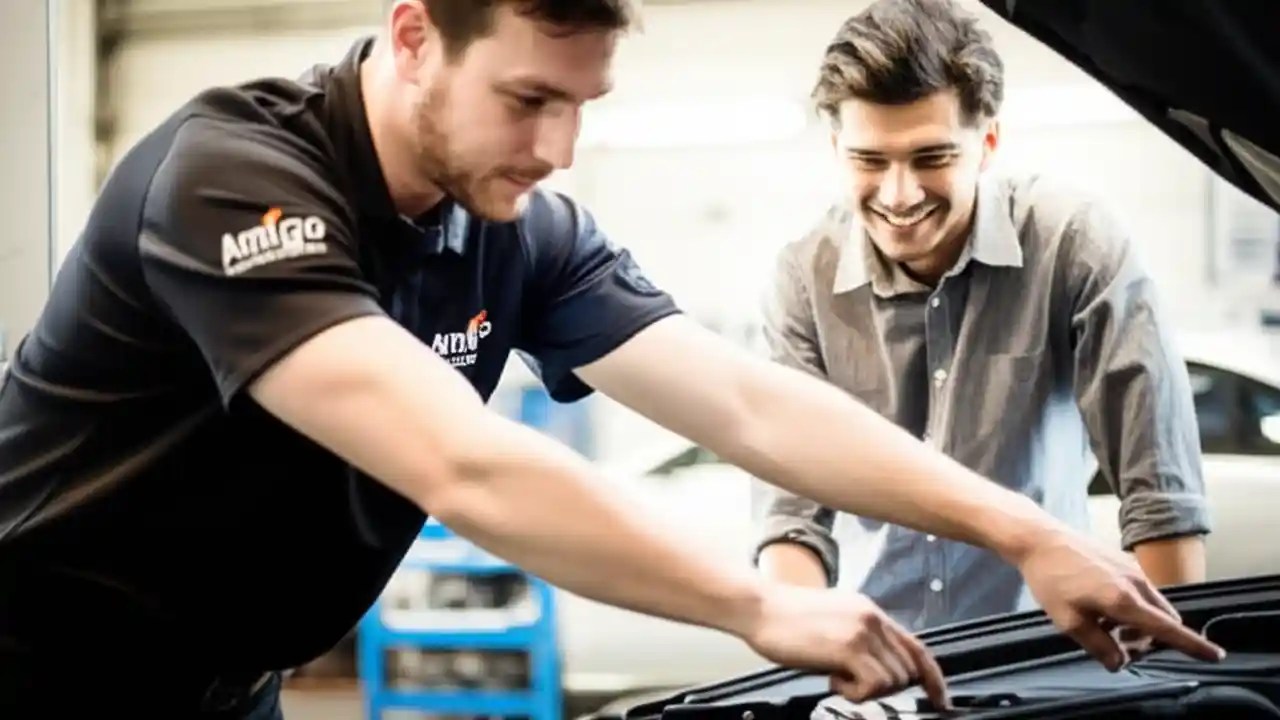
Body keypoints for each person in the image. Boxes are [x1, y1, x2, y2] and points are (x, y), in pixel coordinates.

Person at [0, 0, 1222, 716]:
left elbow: (746, 401)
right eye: (528, 100)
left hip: (226, 680)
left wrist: (1026, 532)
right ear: (415, 34)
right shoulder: (234, 178)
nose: (559, 149)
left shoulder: (521, 231)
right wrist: (756, 606)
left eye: (582, 102)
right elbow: (464, 467)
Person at [753, 0, 1210, 634]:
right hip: (879, 666)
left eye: (931, 158)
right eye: (870, 161)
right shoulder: (804, 276)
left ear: (987, 142)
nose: (899, 194)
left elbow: (1160, 495)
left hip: (1042, 657)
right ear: (837, 148)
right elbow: (791, 512)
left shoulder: (1072, 244)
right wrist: (808, 648)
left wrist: (1172, 672)